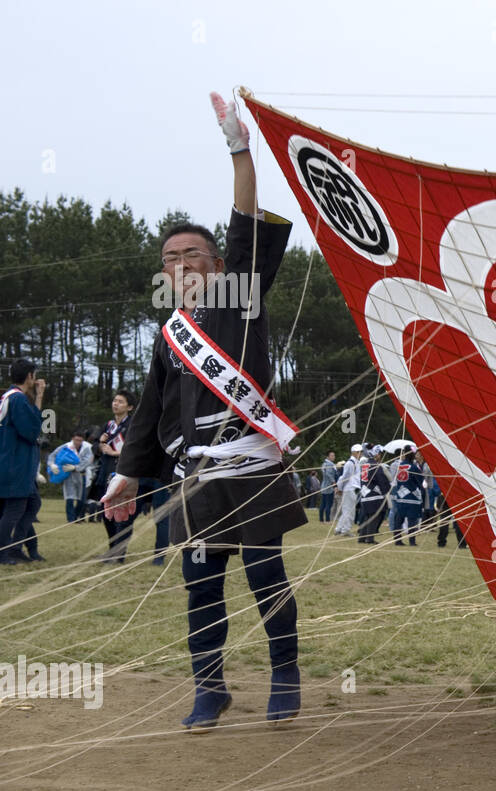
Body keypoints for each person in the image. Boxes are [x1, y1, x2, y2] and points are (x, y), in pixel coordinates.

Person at [104, 92, 306, 732]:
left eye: (192, 254)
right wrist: (127, 473)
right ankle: (210, 688)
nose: (181, 263)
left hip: (251, 468)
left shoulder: (238, 298)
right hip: (197, 477)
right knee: (200, 588)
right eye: (170, 258)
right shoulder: (169, 337)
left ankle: (285, 676)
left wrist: (239, 149)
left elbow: (245, 220)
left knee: (266, 575)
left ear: (217, 264)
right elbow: (149, 415)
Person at [0, 359, 45, 565]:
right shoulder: (18, 399)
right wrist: (39, 398)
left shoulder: (6, 397)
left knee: (27, 505)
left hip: (9, 459)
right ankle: (7, 551)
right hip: (15, 463)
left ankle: (19, 547)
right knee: (16, 509)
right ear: (29, 376)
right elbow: (32, 430)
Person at [88, 391, 137, 562]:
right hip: (106, 474)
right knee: (107, 515)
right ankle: (112, 551)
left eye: (121, 402)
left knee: (123, 517)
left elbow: (136, 448)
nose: (116, 404)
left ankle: (120, 554)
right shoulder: (108, 426)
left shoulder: (133, 425)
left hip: (124, 475)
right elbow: (94, 448)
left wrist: (116, 453)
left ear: (129, 407)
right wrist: (100, 444)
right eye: (115, 400)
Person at [50, 430, 94, 523]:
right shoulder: (66, 446)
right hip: (68, 474)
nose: (78, 442)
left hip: (81, 474)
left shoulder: (87, 448)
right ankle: (70, 519)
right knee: (69, 497)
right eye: (76, 440)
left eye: (80, 440)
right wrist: (52, 464)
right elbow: (53, 455)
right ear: (72, 439)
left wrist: (76, 467)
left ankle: (75, 516)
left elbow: (88, 461)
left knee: (81, 499)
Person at [390, 448, 425, 545]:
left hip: (400, 496)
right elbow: (420, 482)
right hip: (411, 497)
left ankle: (397, 540)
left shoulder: (399, 466)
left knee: (399, 520)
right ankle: (412, 542)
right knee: (412, 521)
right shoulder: (414, 468)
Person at [356, 446, 391, 544]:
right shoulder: (376, 466)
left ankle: (362, 537)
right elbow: (382, 481)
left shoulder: (364, 465)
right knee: (375, 517)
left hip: (365, 494)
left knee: (367, 517)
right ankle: (369, 539)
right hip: (374, 495)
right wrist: (387, 490)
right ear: (376, 454)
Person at [333, 444, 363, 536]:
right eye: (359, 452)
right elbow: (345, 476)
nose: (361, 454)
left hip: (352, 489)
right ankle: (345, 530)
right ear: (355, 452)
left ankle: (339, 529)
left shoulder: (355, 462)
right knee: (350, 511)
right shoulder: (350, 463)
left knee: (347, 510)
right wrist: (340, 488)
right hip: (350, 489)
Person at [318, 450, 337, 522]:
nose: (333, 457)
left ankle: (321, 519)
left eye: (334, 455)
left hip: (324, 486)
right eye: (332, 456)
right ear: (328, 457)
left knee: (323, 504)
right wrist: (334, 482)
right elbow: (329, 474)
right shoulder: (329, 464)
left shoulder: (325, 464)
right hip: (328, 487)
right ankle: (327, 520)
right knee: (328, 504)